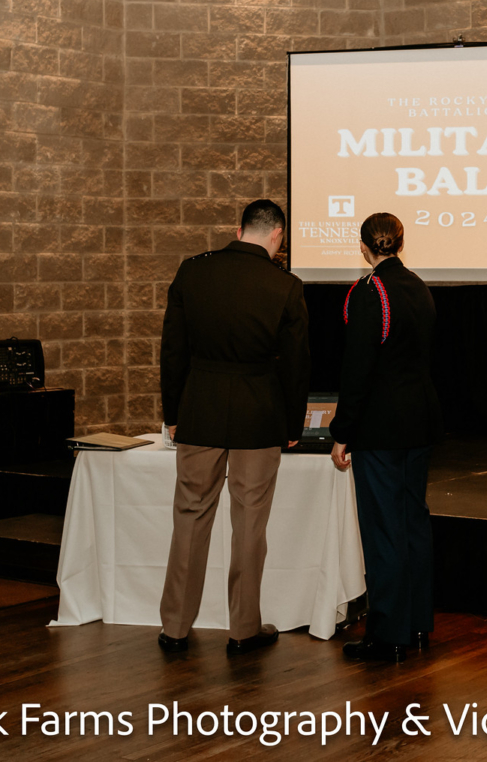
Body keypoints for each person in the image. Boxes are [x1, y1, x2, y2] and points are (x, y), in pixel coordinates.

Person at [158, 199, 310, 656]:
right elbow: (297, 364)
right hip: (259, 414)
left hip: (200, 409)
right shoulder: (285, 285)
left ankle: (175, 628)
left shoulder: (192, 271)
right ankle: (243, 631)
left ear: (238, 229)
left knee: (190, 516)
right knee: (249, 522)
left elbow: (172, 350)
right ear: (277, 235)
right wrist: (293, 422)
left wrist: (173, 414)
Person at [331, 212, 442, 663]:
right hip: (420, 421)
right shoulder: (418, 286)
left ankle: (388, 633)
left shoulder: (368, 291)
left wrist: (342, 432)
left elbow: (358, 369)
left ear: (363, 246)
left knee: (383, 529)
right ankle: (417, 623)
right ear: (400, 242)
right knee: (413, 522)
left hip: (381, 427)